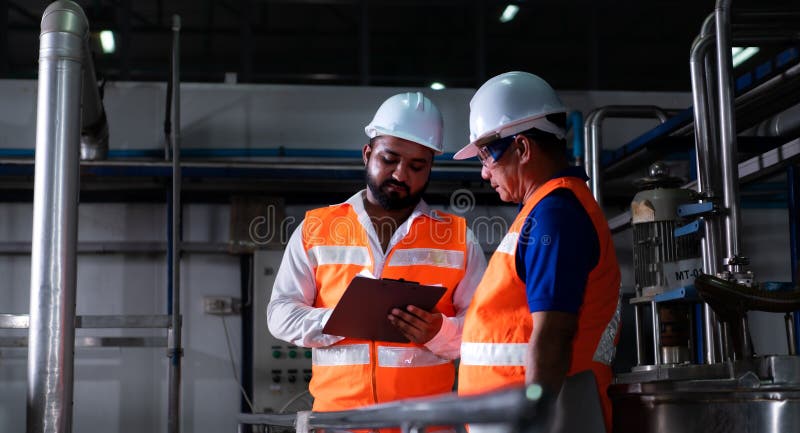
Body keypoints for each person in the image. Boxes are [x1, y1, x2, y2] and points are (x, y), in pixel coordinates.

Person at [267, 92, 487, 415]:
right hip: (338, 424)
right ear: (367, 154)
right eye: (389, 159)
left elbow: (484, 329)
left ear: (430, 169)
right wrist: (340, 319)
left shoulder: (458, 238)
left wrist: (439, 332)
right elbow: (279, 315)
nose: (401, 175)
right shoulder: (316, 229)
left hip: (422, 425)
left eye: (416, 166)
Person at [453, 72, 621, 432]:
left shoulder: (555, 215)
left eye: (486, 156)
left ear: (523, 148)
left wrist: (533, 416)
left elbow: (554, 333)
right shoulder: (542, 211)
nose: (484, 173)